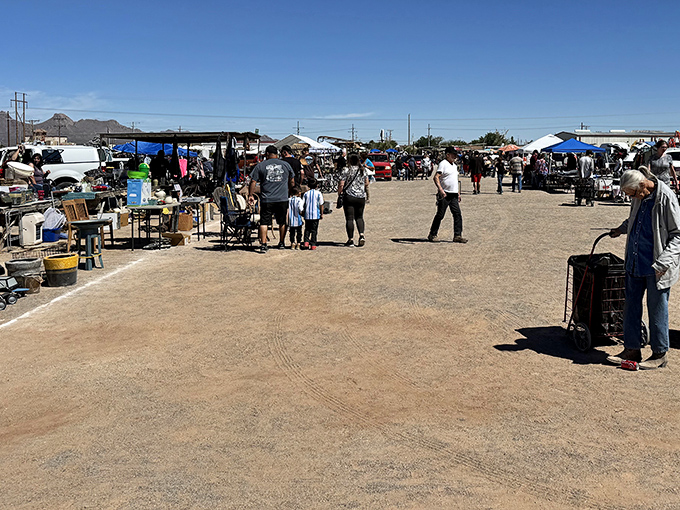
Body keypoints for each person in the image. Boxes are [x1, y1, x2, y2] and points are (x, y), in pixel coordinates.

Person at [607, 167, 680, 369]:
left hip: (657, 266)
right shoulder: (639, 195)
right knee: (630, 306)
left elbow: (678, 235)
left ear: (641, 186)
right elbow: (634, 220)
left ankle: (659, 353)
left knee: (657, 309)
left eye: (631, 194)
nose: (632, 198)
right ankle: (631, 349)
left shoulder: (666, 197)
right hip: (635, 261)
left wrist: (664, 262)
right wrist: (621, 230)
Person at [248, 145, 294, 253]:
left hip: (266, 199)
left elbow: (253, 181)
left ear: (267, 154)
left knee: (264, 222)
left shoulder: (260, 166)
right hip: (282, 198)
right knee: (282, 222)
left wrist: (251, 194)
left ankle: (263, 244)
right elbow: (292, 180)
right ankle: (282, 242)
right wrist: (290, 191)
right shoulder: (286, 165)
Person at [428, 147, 467, 244]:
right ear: (447, 155)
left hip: (453, 194)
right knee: (440, 215)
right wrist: (441, 190)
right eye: (453, 154)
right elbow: (436, 177)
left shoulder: (454, 165)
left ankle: (457, 235)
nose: (455, 157)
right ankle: (432, 234)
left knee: (457, 214)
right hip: (445, 194)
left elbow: (454, 180)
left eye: (456, 155)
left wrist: (457, 193)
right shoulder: (443, 164)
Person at [339, 153, 369, 247]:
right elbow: (367, 183)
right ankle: (361, 235)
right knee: (359, 217)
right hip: (360, 197)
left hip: (349, 196)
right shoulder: (363, 170)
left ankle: (350, 239)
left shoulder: (346, 170)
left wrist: (339, 193)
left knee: (349, 218)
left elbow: (341, 184)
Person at [302, 177, 324, 250]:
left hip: (307, 214)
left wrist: (302, 211)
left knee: (307, 228)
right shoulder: (318, 193)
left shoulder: (306, 194)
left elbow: (303, 204)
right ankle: (313, 244)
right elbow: (321, 204)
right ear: (317, 186)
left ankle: (306, 241)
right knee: (314, 230)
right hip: (315, 214)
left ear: (308, 185)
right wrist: (322, 213)